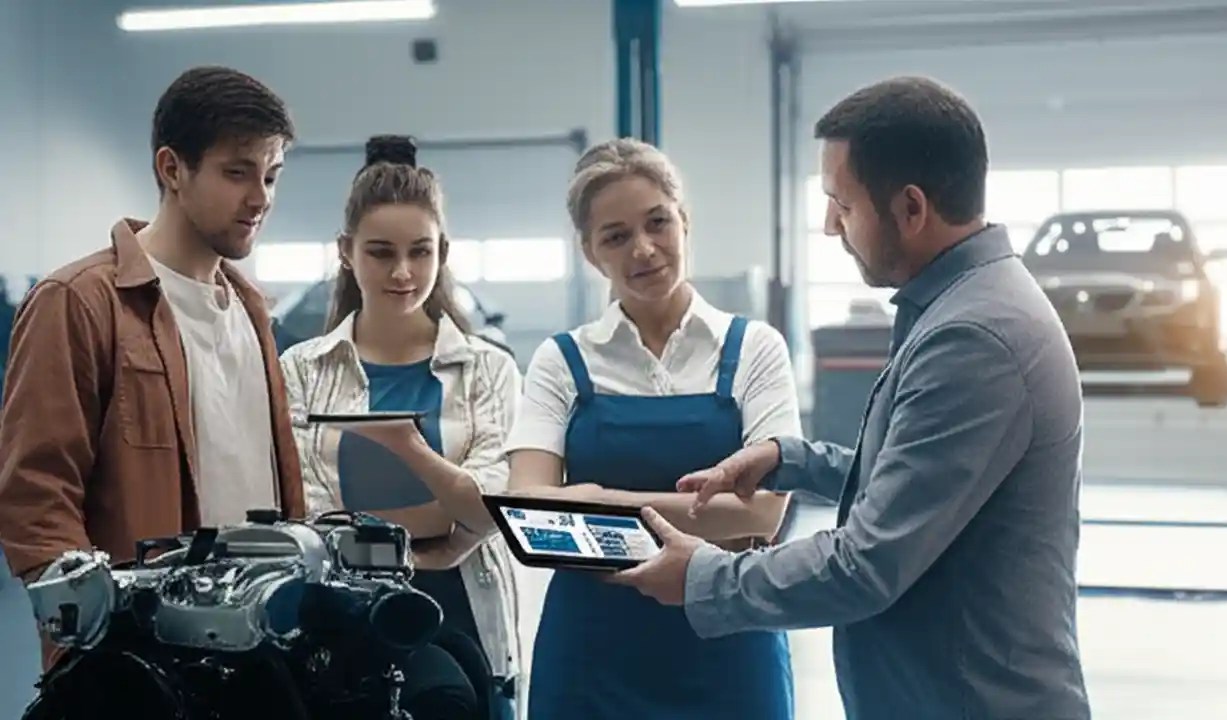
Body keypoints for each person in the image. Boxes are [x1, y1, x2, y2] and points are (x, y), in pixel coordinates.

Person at [612, 76, 1092, 720]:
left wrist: (704, 577)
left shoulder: (975, 337)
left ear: (911, 208)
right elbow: (923, 483)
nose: (829, 223)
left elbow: (867, 564)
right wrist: (794, 459)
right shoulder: (968, 304)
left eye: (841, 202)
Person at [503, 138, 803, 720]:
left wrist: (603, 501)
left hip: (730, 641)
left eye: (657, 223)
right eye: (615, 236)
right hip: (592, 650)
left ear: (684, 222)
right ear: (591, 253)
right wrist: (710, 513)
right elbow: (530, 508)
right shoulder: (562, 361)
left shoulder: (755, 349)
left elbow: (764, 513)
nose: (643, 249)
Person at [0, 66, 305, 590]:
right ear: (171, 168)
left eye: (270, 175)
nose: (260, 199)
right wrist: (103, 623)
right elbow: (36, 495)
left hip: (267, 643)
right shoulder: (78, 302)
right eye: (237, 173)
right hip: (147, 650)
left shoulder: (253, 313)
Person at [279, 136, 522, 720]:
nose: (403, 272)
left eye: (420, 251)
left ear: (443, 249)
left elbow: (496, 504)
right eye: (381, 252)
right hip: (341, 623)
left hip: (467, 613)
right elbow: (305, 508)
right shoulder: (303, 371)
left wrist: (409, 457)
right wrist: (441, 527)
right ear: (346, 252)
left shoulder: (489, 369)